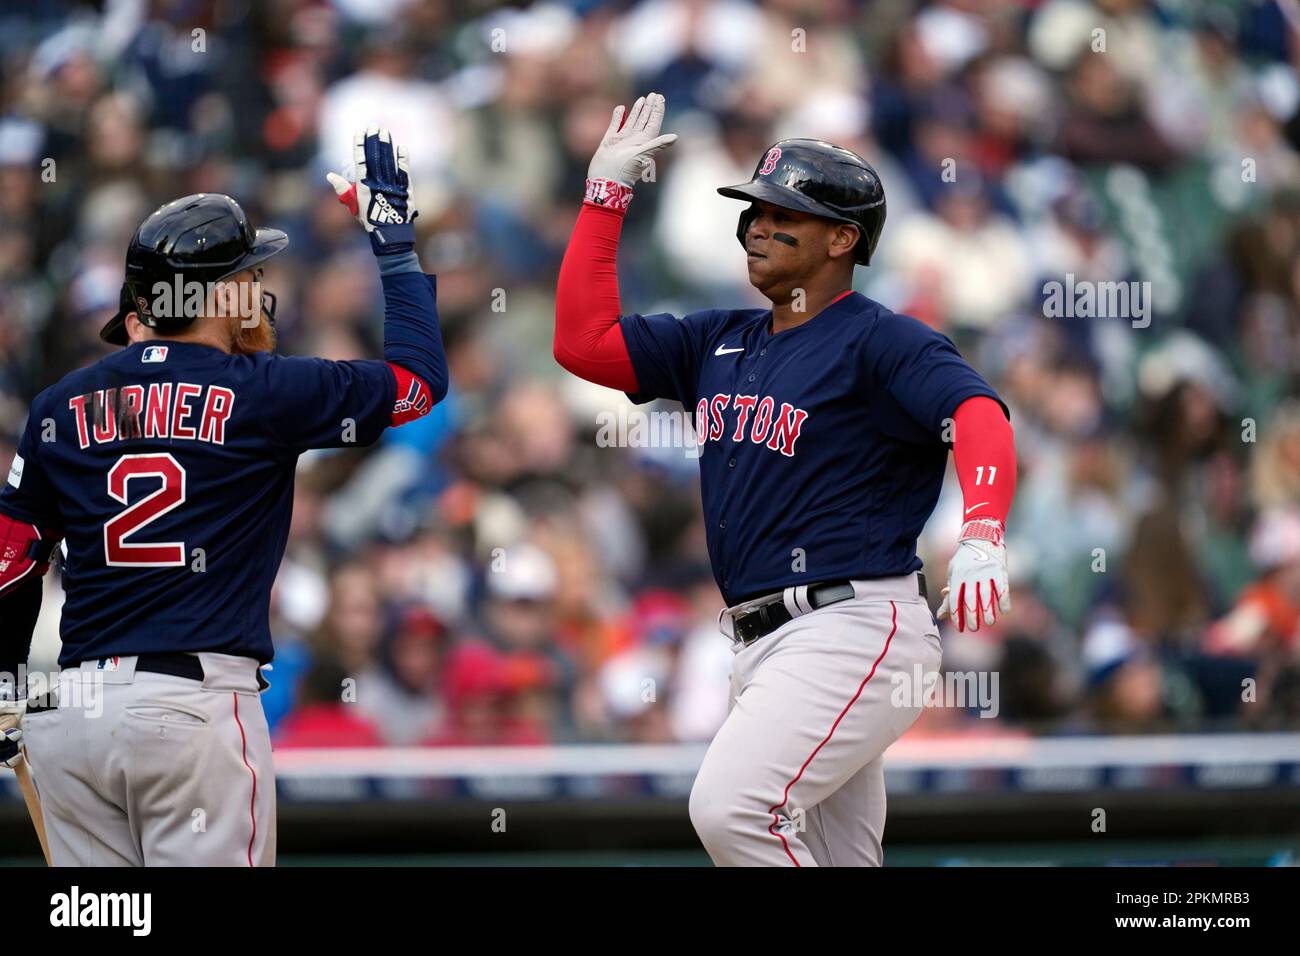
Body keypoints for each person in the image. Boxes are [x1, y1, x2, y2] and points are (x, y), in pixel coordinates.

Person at [553, 93, 1017, 866]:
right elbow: (583, 342)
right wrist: (605, 199)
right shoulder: (719, 339)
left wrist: (982, 529)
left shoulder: (881, 339)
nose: (760, 227)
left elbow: (977, 413)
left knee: (733, 809)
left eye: (784, 215)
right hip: (763, 642)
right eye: (754, 213)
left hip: (852, 626)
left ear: (843, 238)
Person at [0, 126, 447, 866]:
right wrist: (394, 247)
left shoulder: (55, 404)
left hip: (70, 715)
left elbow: (12, 561)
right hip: (191, 709)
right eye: (249, 274)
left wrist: (5, 680)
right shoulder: (264, 391)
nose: (259, 289)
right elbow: (417, 383)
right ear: (220, 292)